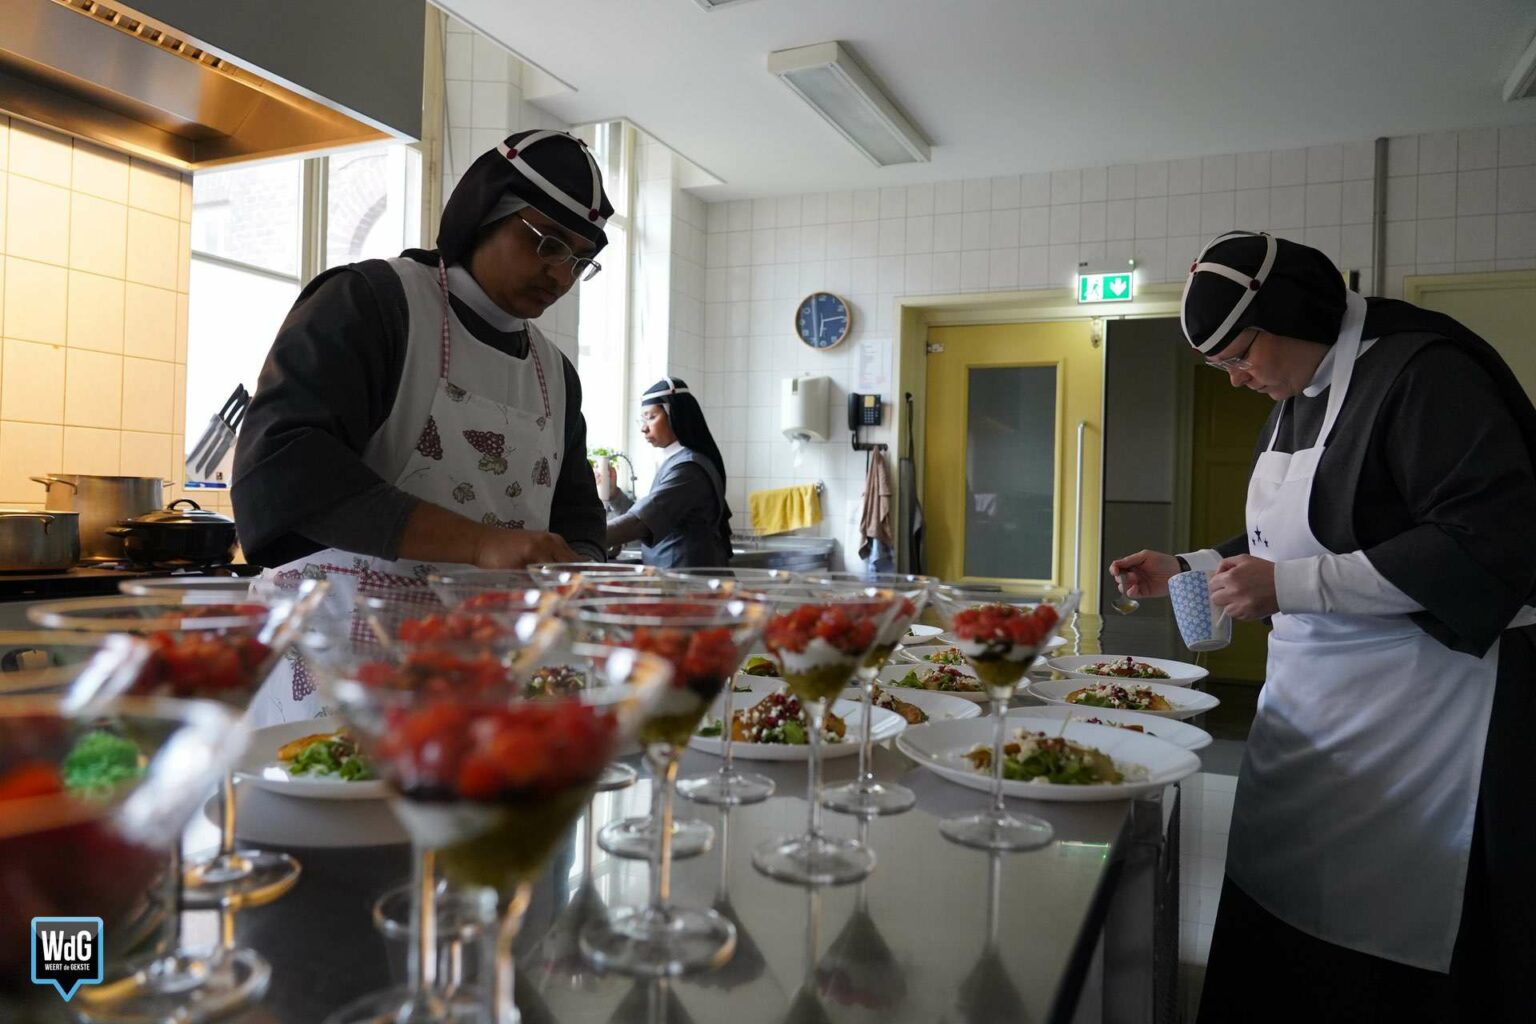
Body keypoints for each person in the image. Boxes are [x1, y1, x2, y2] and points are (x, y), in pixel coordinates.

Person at [1111, 231, 1536, 1021]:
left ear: (1289, 314)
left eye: (1239, 356)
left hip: (1419, 711)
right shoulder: (1299, 391)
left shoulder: (1424, 373)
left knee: (1388, 921)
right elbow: (1293, 537)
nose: (1237, 380)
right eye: (1221, 368)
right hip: (1315, 703)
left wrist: (1293, 587)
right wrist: (1190, 565)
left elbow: (1488, 538)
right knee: (1284, 897)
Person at [232, 129, 612, 723]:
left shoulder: (555, 374)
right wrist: (481, 544)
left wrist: (575, 573)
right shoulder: (370, 303)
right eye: (547, 243)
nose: (561, 277)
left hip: (487, 673)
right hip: (341, 674)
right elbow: (284, 467)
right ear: (485, 212)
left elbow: (578, 517)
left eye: (580, 260)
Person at [599, 378, 732, 568]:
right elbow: (654, 515)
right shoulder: (678, 461)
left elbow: (640, 523)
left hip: (687, 584)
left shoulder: (688, 469)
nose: (644, 428)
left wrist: (584, 539)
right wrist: (614, 495)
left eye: (651, 417)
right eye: (642, 420)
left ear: (675, 415)